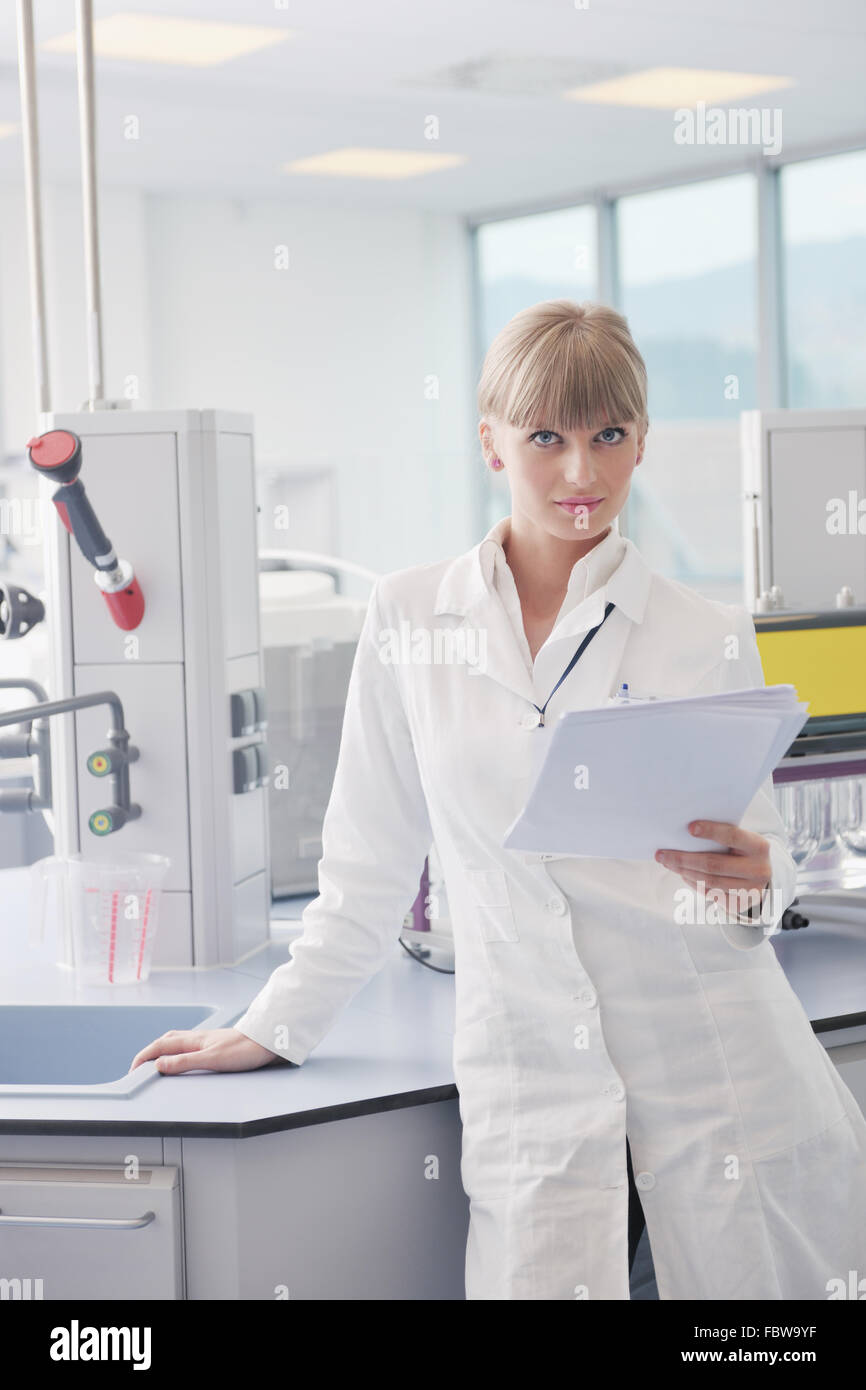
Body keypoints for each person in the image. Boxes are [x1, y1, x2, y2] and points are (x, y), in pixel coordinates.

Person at [132, 299, 866, 1301]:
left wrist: (752, 883)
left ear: (640, 439)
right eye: (545, 437)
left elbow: (753, 880)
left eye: (609, 434)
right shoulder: (407, 616)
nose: (580, 472)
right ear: (490, 442)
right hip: (533, 1088)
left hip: (719, 1086)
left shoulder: (704, 631)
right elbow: (368, 866)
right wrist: (277, 1024)